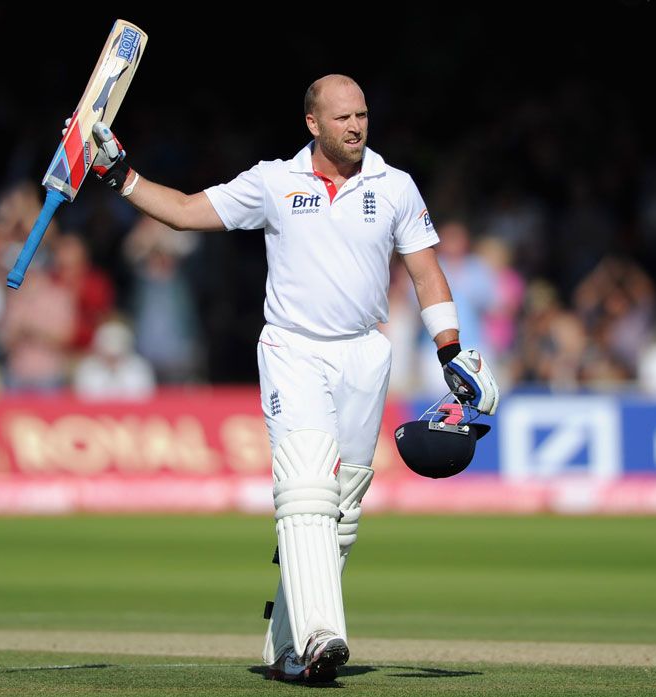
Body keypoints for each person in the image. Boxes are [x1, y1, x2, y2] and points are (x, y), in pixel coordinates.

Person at [85, 74, 499, 682]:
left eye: (362, 115)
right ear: (313, 123)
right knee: (307, 488)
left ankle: (283, 648)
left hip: (364, 352)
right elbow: (183, 213)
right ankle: (320, 636)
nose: (356, 127)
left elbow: (425, 271)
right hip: (292, 350)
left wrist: (450, 349)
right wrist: (121, 174)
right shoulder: (274, 182)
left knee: (343, 509)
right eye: (342, 118)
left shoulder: (395, 186)